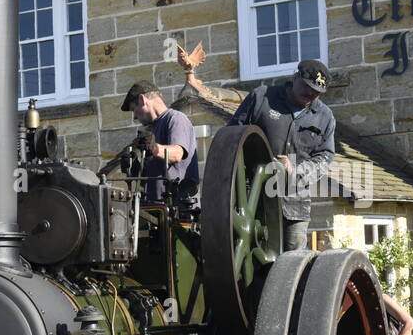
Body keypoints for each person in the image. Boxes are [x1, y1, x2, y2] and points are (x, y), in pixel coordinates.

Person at [227, 59, 336, 251]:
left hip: (294, 203)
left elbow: (324, 157)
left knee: (293, 261)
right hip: (252, 198)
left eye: (317, 93)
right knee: (249, 254)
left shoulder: (325, 117)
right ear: (295, 78)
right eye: (307, 87)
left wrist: (294, 170)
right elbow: (231, 139)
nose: (310, 94)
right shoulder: (262, 97)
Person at [121, 80, 200, 206]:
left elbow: (178, 153)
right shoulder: (152, 129)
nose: (135, 117)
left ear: (142, 99)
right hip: (156, 208)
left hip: (178, 210)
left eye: (133, 109)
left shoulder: (175, 119)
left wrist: (154, 149)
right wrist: (134, 166)